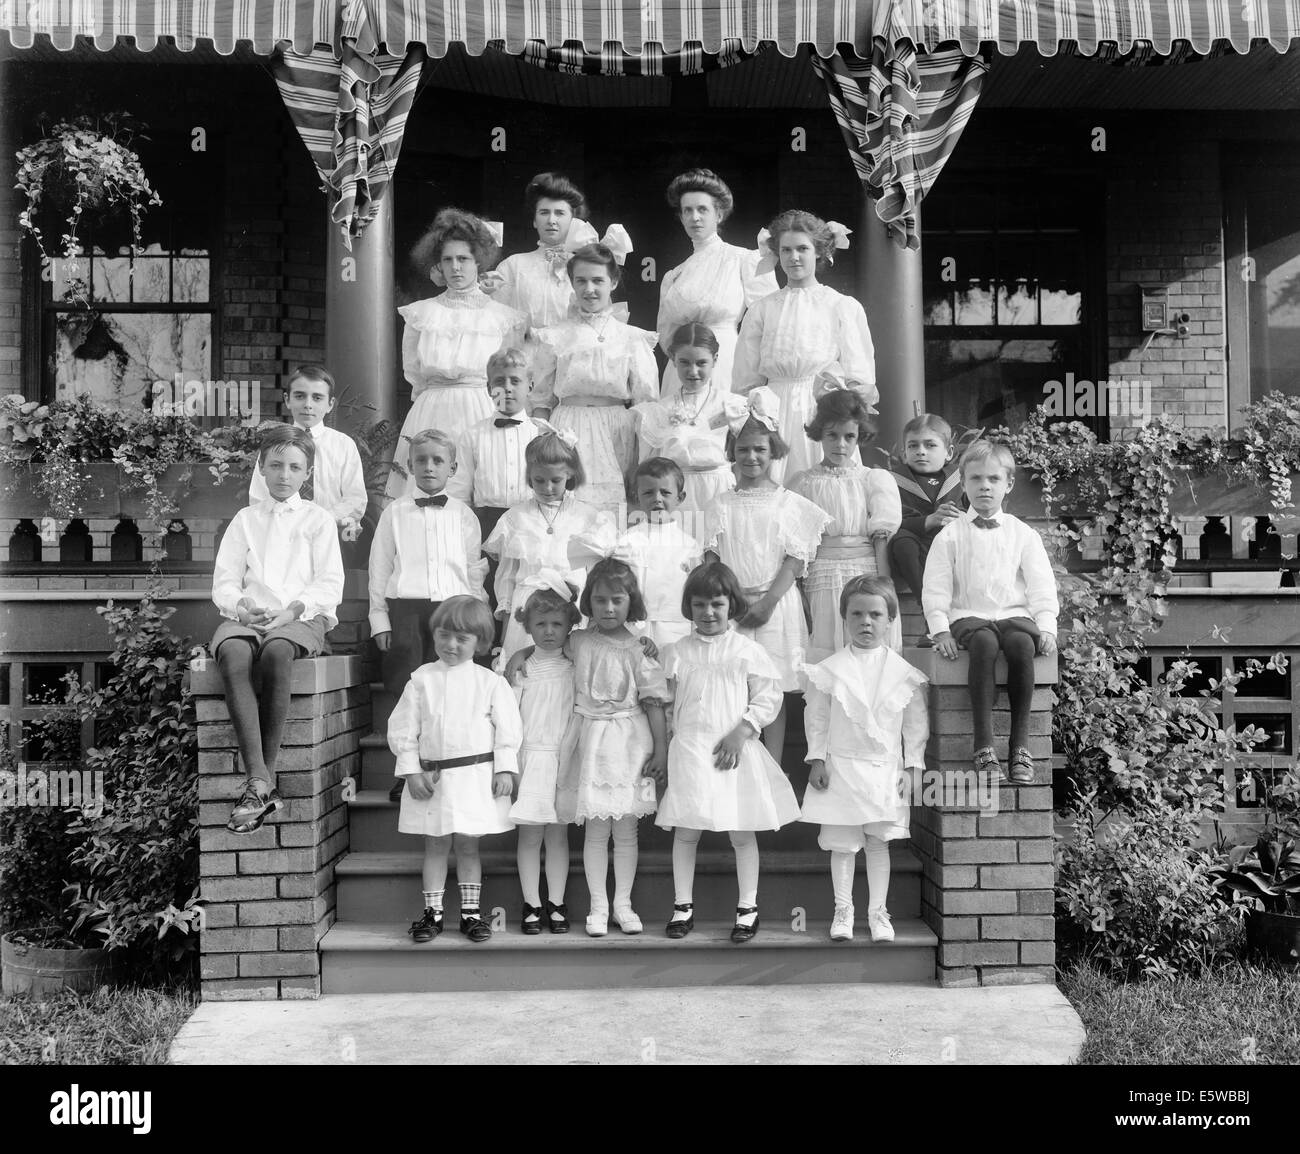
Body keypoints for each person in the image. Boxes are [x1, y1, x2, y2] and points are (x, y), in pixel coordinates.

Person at [656, 562, 799, 943]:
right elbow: (665, 701)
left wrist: (743, 730)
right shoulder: (677, 652)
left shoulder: (747, 650)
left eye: (717, 604)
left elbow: (770, 696)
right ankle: (682, 906)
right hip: (690, 751)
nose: (708, 613)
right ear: (689, 607)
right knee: (686, 831)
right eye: (699, 604)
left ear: (731, 604)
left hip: (733, 753)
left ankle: (747, 908)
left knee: (741, 831)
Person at [212, 425, 344, 834]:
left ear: (307, 473)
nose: (284, 474)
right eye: (276, 465)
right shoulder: (245, 519)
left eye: (294, 467)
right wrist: (242, 607)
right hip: (250, 616)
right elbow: (225, 580)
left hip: (301, 618)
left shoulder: (318, 520)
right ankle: (261, 782)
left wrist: (292, 611)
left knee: (276, 652)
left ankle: (258, 783)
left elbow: (329, 583)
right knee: (233, 652)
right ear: (262, 468)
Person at [703, 389, 830, 764]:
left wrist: (769, 602)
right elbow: (713, 561)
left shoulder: (787, 502)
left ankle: (771, 768)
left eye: (760, 449)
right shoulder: (720, 503)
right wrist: (734, 603)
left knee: (771, 688)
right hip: (733, 605)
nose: (751, 457)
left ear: (773, 450)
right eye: (743, 449)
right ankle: (738, 765)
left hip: (776, 604)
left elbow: (795, 561)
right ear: (732, 453)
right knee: (736, 685)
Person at [800, 575, 928, 944]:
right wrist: (816, 759)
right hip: (841, 765)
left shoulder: (903, 674)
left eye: (875, 614)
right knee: (842, 843)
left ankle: (878, 912)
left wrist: (913, 766)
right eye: (857, 614)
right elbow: (818, 717)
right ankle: (843, 910)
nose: (866, 622)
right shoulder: (830, 670)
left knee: (877, 841)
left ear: (890, 620)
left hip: (882, 766)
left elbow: (915, 723)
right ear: (844, 619)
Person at [922, 440, 1060, 784]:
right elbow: (935, 588)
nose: (984, 486)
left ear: (1008, 484)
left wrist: (1047, 626)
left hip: (1014, 615)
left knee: (1022, 647)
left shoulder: (1022, 533)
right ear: (963, 484)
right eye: (976, 478)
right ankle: (983, 744)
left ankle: (1020, 745)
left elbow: (1042, 584)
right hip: (970, 615)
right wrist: (940, 629)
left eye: (993, 479)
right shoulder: (950, 535)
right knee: (983, 645)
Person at [388, 596, 522, 944]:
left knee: (467, 847)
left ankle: (471, 913)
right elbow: (403, 729)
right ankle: (432, 914)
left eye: (462, 638)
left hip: (474, 779)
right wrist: (411, 772)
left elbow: (508, 732)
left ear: (481, 643)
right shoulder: (421, 680)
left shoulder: (491, 682)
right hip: (433, 780)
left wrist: (505, 770)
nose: (451, 644)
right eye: (444, 635)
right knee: (434, 846)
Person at [554, 558, 669, 937]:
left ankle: (623, 903)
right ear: (589, 601)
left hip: (629, 742)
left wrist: (660, 751)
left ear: (630, 602)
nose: (607, 608)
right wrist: (520, 654)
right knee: (595, 830)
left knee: (626, 830)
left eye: (617, 600)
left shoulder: (639, 649)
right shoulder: (579, 641)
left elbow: (654, 703)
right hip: (590, 740)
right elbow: (547, 645)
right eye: (600, 600)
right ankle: (598, 905)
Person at [368, 428, 488, 777]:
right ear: (410, 465)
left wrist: (475, 617)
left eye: (438, 460)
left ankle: (446, 766)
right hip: (405, 610)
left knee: (448, 688)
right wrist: (380, 620)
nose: (429, 467)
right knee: (408, 687)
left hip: (451, 611)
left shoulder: (464, 515)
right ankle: (406, 768)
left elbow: (472, 571)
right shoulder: (395, 512)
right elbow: (379, 567)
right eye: (421, 460)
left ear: (452, 468)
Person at [389, 208, 526, 499]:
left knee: (478, 488)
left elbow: (508, 374)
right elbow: (413, 370)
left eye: (463, 259)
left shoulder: (501, 317)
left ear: (479, 262)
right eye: (448, 260)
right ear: (437, 265)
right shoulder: (422, 314)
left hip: (482, 408)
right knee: (426, 489)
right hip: (432, 408)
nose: (456, 268)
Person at [733, 209, 876, 482]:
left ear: (819, 252)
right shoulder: (761, 310)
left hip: (823, 409)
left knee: (825, 485)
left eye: (802, 249)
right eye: (786, 250)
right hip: (772, 409)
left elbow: (859, 374)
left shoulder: (841, 305)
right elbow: (745, 379)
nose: (793, 257)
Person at [531, 242, 658, 515]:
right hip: (568, 428)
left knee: (613, 511)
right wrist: (544, 446)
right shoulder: (555, 336)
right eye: (581, 281)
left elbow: (646, 403)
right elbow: (541, 398)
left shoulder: (632, 338)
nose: (589, 289)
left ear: (612, 282)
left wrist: (641, 456)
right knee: (568, 508)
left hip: (617, 430)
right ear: (572, 284)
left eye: (598, 280)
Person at [483, 431, 615, 671]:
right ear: (529, 476)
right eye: (539, 480)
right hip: (528, 609)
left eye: (555, 480)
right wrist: (505, 634)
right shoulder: (515, 517)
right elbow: (507, 576)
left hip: (571, 605)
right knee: (525, 674)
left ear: (570, 474)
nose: (547, 487)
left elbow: (597, 574)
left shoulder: (587, 517)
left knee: (568, 673)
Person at [788, 387, 902, 659]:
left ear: (859, 437)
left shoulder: (872, 479)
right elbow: (796, 546)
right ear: (820, 435)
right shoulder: (803, 483)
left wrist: (885, 584)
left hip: (864, 571)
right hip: (821, 574)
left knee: (867, 644)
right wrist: (800, 590)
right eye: (832, 435)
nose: (840, 444)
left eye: (849, 436)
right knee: (827, 646)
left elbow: (880, 538)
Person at [656, 168, 775, 398]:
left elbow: (769, 322)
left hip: (726, 365)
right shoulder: (673, 276)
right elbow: (666, 335)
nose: (695, 217)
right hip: (681, 371)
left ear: (718, 214)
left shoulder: (743, 259)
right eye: (687, 210)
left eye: (702, 209)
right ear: (681, 217)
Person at [508, 575, 581, 935]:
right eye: (540, 624)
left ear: (570, 625)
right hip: (531, 756)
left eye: (557, 624)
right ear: (527, 626)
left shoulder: (575, 666)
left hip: (563, 757)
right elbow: (508, 720)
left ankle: (556, 901)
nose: (549, 631)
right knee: (530, 835)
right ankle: (531, 903)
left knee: (558, 835)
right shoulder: (521, 666)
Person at [633, 322, 747, 516]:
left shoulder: (732, 405)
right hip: (676, 494)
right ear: (673, 360)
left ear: (715, 359)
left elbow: (744, 456)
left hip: (719, 490)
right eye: (685, 362)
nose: (693, 371)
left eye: (701, 363)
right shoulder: (660, 410)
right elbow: (648, 464)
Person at [446, 346, 555, 542]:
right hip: (486, 527)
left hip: (532, 526)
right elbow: (459, 492)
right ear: (489, 389)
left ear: (530, 386)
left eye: (515, 381)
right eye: (499, 381)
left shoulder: (542, 434)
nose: (507, 388)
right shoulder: (473, 436)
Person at [247, 363, 366, 542]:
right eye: (300, 396)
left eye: (317, 398)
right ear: (287, 400)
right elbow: (258, 497)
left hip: (330, 534)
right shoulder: (274, 443)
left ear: (330, 404)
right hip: (281, 534)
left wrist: (319, 521)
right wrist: (287, 523)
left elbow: (355, 500)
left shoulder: (343, 445)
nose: (308, 405)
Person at [614, 457, 703, 648]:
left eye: (665, 492)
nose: (657, 499)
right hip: (634, 627)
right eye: (648, 492)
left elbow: (697, 592)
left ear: (680, 497)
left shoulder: (689, 545)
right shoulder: (627, 540)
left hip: (676, 629)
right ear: (637, 497)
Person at [887, 414, 965, 623]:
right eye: (913, 446)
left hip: (952, 547)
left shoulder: (961, 479)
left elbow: (977, 509)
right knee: (902, 541)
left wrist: (962, 517)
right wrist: (928, 521)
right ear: (904, 453)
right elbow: (889, 520)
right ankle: (929, 609)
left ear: (948, 453)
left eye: (930, 445)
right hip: (915, 548)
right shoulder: (892, 482)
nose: (921, 451)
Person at [486, 172, 589, 330]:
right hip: (522, 351)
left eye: (560, 213)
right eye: (544, 212)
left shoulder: (585, 268)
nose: (551, 220)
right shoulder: (513, 266)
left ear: (573, 220)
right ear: (535, 220)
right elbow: (496, 320)